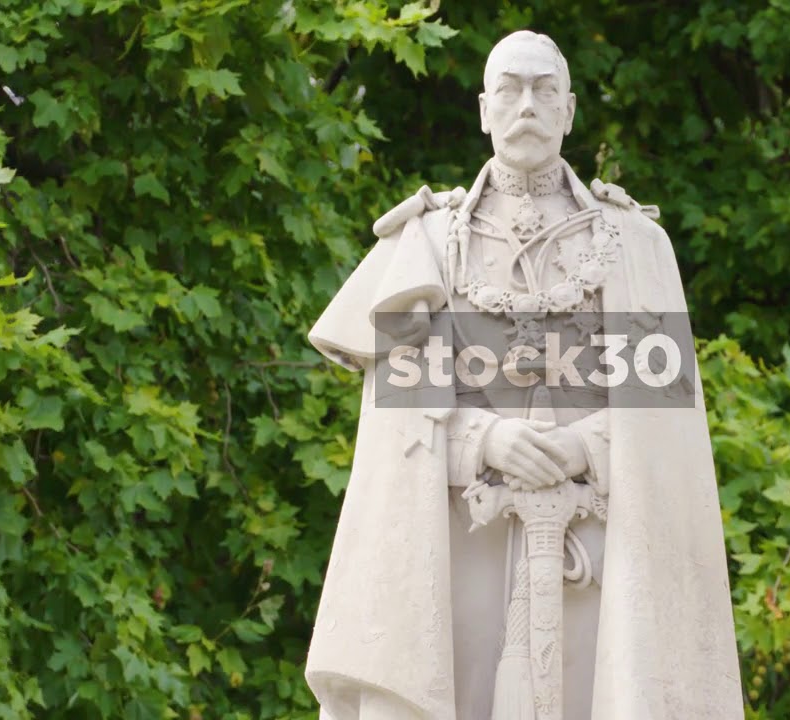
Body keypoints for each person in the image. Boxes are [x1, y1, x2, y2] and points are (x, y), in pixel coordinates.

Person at [303, 30, 741, 719]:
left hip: (598, 557)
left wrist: (581, 447)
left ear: (569, 111)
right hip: (459, 556)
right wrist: (485, 442)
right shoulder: (427, 246)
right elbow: (397, 426)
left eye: (544, 90)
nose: (526, 105)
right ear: (483, 109)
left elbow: (665, 426)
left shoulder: (636, 247)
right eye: (509, 89)